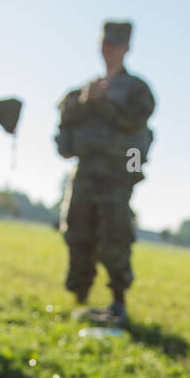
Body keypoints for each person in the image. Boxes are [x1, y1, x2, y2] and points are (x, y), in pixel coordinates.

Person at [55, 21, 155, 327]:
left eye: (114, 44)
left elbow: (136, 120)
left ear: (127, 48)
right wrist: (88, 100)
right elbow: (64, 118)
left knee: (115, 235)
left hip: (116, 176)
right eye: (104, 43)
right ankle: (80, 294)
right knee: (77, 232)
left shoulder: (137, 90)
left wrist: (106, 103)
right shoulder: (84, 90)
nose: (108, 49)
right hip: (85, 171)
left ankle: (118, 300)